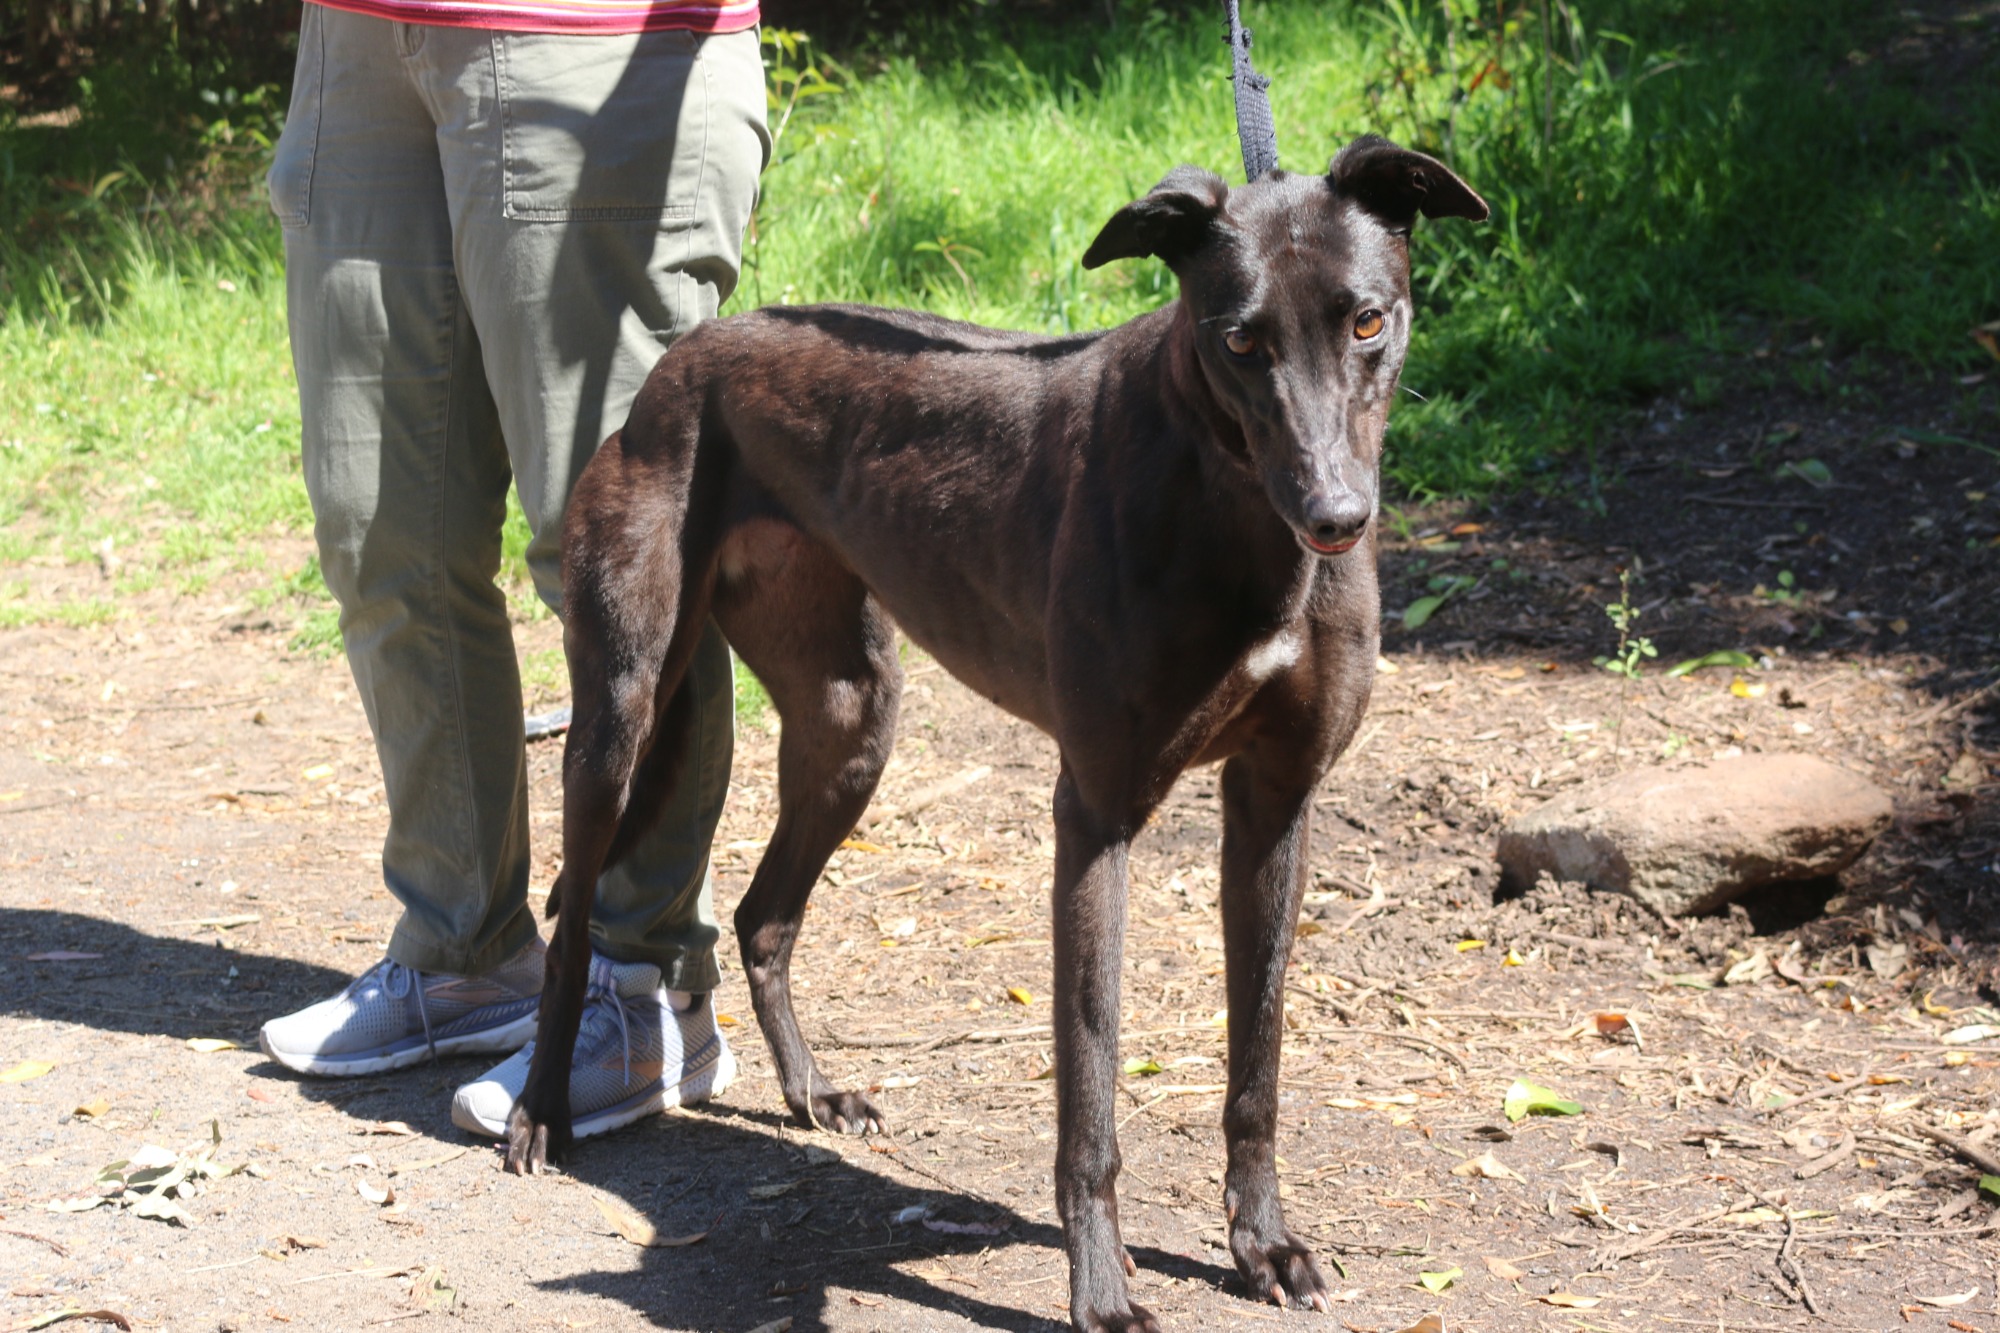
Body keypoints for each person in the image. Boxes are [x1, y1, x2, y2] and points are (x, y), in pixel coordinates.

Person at [255, 0, 770, 1145]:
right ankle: (464, 947)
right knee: (381, 529)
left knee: (611, 554)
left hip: (583, 43)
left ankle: (643, 984)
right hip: (357, 40)